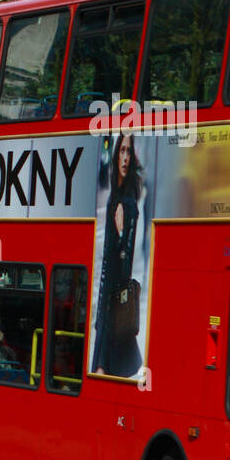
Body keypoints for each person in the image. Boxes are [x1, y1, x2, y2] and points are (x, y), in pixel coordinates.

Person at [92, 131, 144, 377]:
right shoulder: (116, 196)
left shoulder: (128, 202)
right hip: (107, 289)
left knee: (104, 360)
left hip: (113, 291)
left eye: (128, 152)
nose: (125, 158)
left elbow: (126, 257)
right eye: (121, 151)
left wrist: (122, 232)